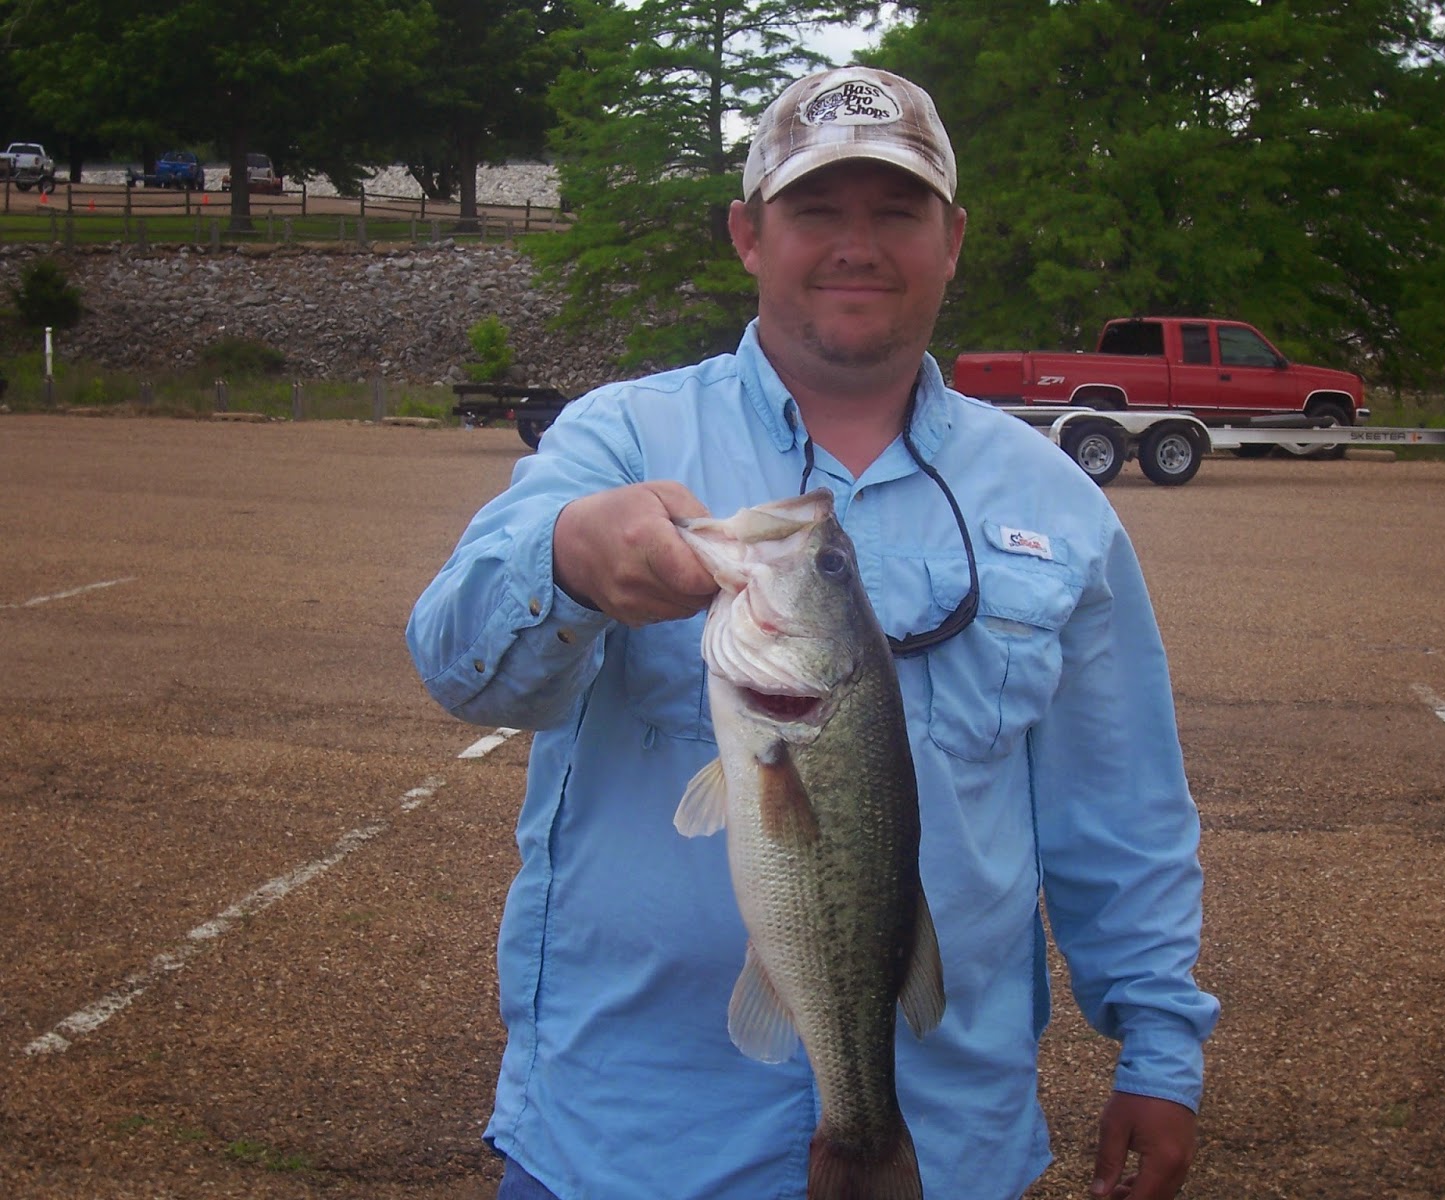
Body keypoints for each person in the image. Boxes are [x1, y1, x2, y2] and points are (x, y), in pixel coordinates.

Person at [407, 65, 1219, 1200]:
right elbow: (455, 663)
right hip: (626, 1145)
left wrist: (1160, 1052)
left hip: (950, 1146)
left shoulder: (1057, 503)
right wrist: (570, 559)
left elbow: (1119, 810)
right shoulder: (617, 435)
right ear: (748, 233)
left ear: (952, 240)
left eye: (896, 212)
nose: (857, 244)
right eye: (814, 210)